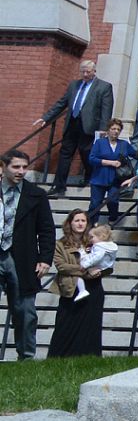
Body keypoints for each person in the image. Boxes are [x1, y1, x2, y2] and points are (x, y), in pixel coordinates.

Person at [0, 150, 53, 360]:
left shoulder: (36, 195)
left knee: (24, 311)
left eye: (24, 167)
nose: (21, 171)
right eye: (16, 167)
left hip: (21, 256)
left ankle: (27, 356)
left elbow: (47, 229)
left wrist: (45, 259)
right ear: (3, 167)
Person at [35, 60, 116, 195]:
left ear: (94, 71)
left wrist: (104, 129)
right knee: (65, 154)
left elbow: (106, 109)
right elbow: (62, 103)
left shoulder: (104, 87)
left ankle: (89, 177)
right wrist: (45, 118)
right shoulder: (74, 85)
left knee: (86, 153)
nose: (85, 74)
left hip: (90, 126)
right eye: (83, 71)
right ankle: (59, 185)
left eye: (88, 72)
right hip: (72, 124)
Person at [47, 210, 106, 358]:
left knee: (90, 326)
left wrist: (100, 271)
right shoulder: (60, 244)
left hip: (93, 288)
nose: (80, 224)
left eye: (83, 221)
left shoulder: (94, 242)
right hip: (70, 289)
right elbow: (61, 266)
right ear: (70, 223)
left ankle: (89, 357)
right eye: (77, 220)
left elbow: (105, 262)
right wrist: (84, 270)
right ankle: (59, 357)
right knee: (65, 325)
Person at [86, 118, 135, 226]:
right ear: (108, 130)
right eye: (113, 128)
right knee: (95, 203)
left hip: (116, 179)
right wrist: (110, 162)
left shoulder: (124, 144)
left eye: (118, 129)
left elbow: (137, 154)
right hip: (99, 177)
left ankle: (113, 218)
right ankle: (92, 223)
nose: (116, 131)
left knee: (113, 201)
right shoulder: (100, 143)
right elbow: (92, 159)